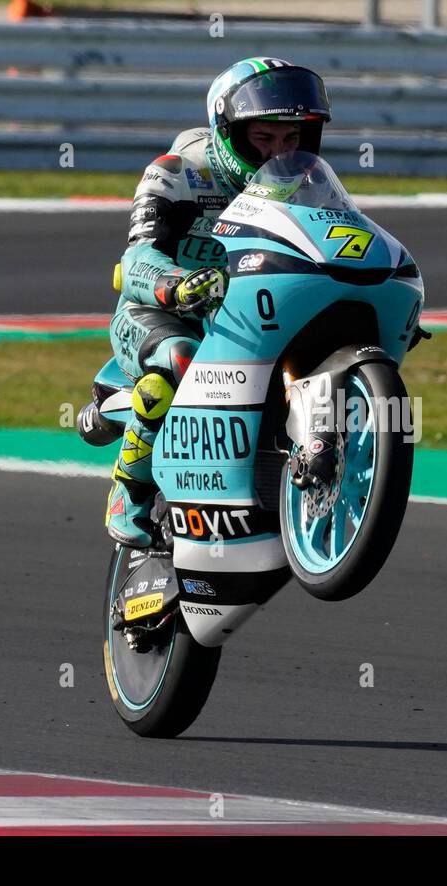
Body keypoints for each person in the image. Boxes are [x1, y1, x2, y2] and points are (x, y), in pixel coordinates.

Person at [79, 58, 332, 548]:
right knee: (178, 361)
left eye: (291, 139)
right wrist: (175, 284)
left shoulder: (307, 185)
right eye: (263, 139)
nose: (278, 153)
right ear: (227, 130)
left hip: (241, 318)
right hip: (160, 314)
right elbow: (133, 261)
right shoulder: (178, 173)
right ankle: (127, 494)